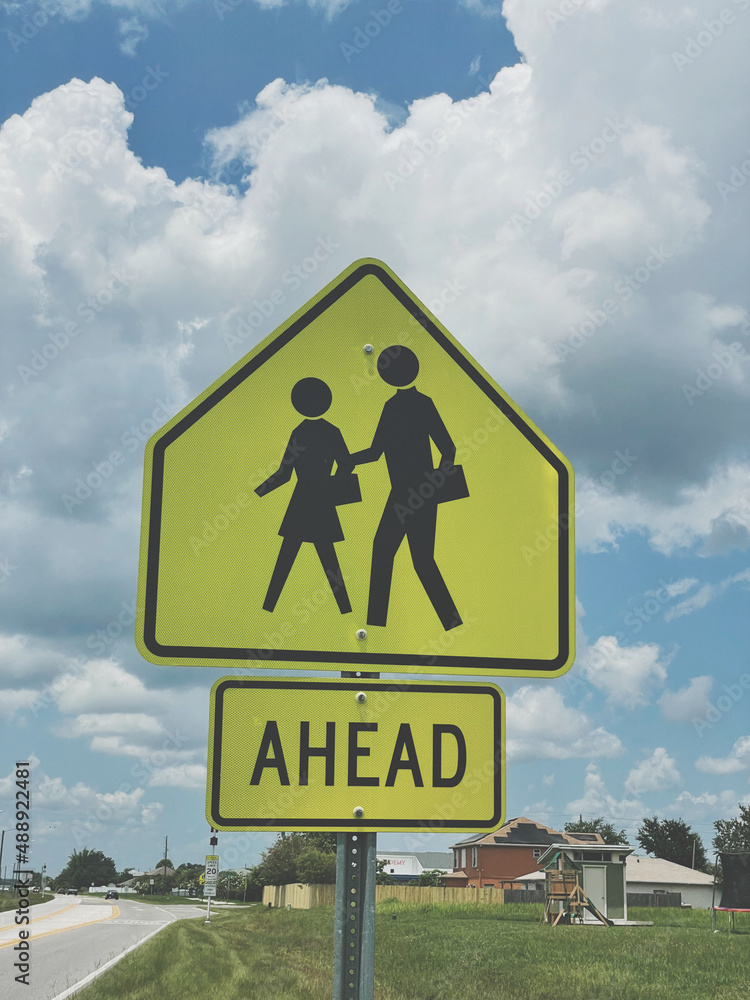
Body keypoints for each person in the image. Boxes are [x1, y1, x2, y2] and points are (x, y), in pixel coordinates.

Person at [344, 345, 463, 631]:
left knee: (406, 557)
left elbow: (448, 449)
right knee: (401, 555)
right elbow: (377, 452)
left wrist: (434, 484)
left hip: (415, 493)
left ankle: (382, 624)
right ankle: (380, 625)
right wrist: (349, 460)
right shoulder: (400, 405)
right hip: (410, 492)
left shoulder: (415, 404)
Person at [255, 377, 355, 614]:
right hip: (321, 500)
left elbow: (284, 474)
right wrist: (333, 487)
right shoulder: (331, 431)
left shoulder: (300, 432)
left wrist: (259, 491)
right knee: (326, 559)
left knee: (290, 556)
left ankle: (269, 608)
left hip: (303, 501)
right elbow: (346, 464)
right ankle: (346, 610)